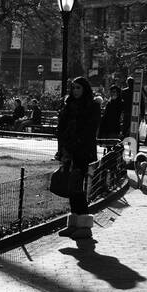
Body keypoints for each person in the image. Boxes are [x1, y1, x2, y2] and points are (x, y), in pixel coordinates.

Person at [56, 77, 100, 239]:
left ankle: (84, 225)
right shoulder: (68, 106)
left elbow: (91, 130)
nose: (75, 91)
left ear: (85, 89)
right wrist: (62, 149)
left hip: (82, 151)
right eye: (73, 88)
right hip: (68, 151)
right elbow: (61, 128)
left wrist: (78, 142)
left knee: (77, 186)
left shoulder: (92, 106)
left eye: (78, 88)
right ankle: (74, 222)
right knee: (71, 186)